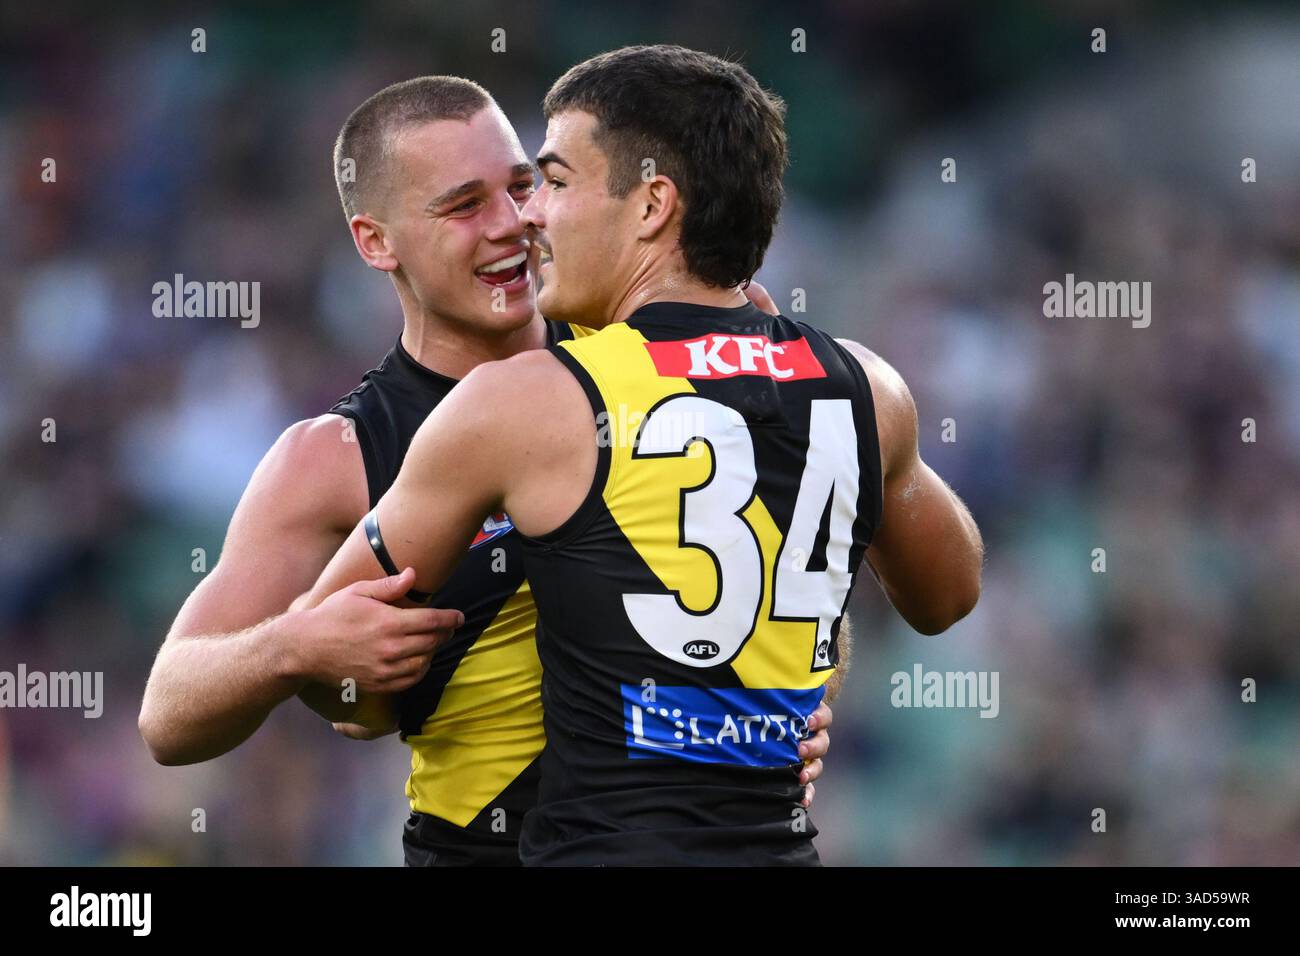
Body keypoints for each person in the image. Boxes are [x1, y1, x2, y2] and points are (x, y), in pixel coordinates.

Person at [300, 46, 983, 865]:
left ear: (652, 204)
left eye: (554, 181)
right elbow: (946, 596)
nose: (533, 217)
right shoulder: (866, 388)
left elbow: (333, 668)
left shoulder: (526, 400)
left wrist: (364, 694)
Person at [138, 75, 834, 866]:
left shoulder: (670, 345)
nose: (513, 225)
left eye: (523, 185)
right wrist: (292, 647)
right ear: (376, 241)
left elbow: (820, 535)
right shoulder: (333, 456)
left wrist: (801, 700)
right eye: (464, 205)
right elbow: (168, 715)